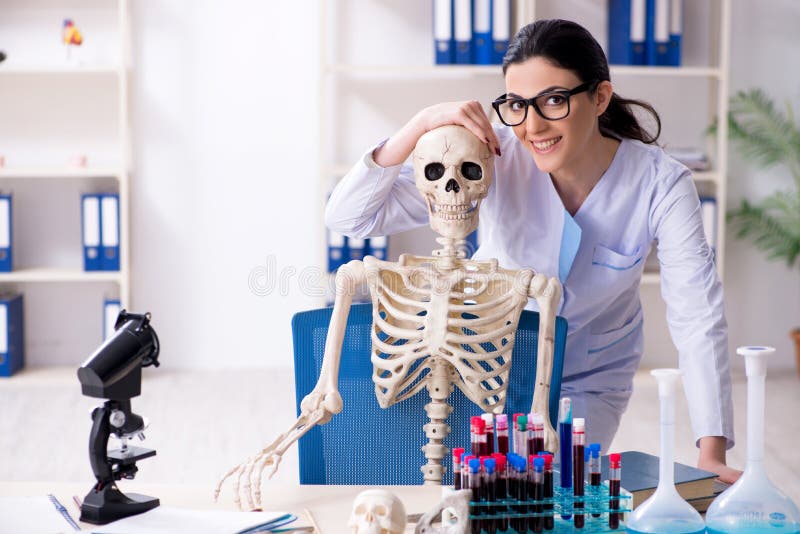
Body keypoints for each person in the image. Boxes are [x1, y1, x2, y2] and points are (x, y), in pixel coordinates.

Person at [325, 19, 741, 483]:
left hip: (591, 376)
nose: (532, 125)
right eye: (517, 105)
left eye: (554, 101)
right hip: (489, 360)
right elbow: (349, 219)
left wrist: (711, 450)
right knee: (466, 488)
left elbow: (696, 313)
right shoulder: (491, 154)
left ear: (600, 97)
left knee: (543, 489)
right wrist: (422, 124)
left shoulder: (662, 184)